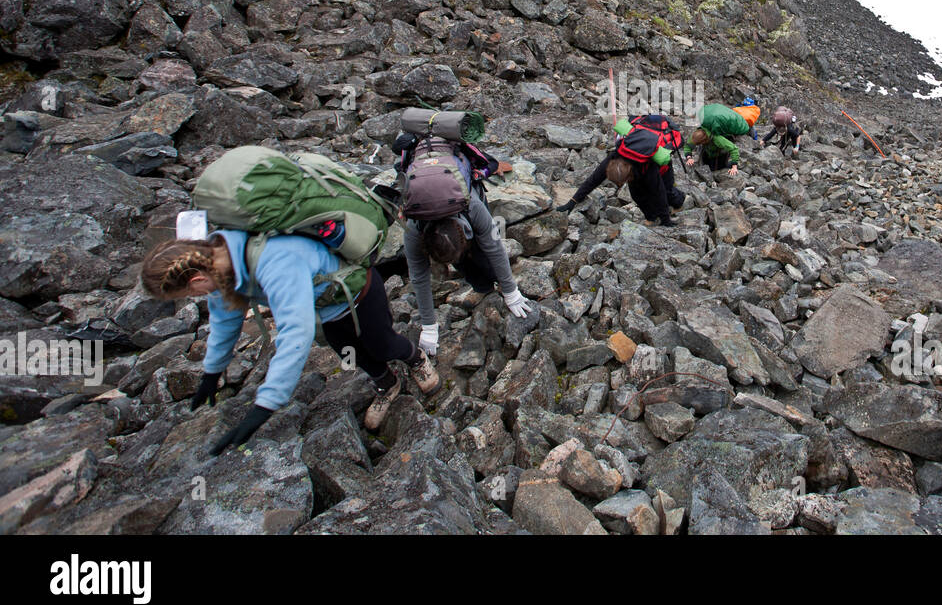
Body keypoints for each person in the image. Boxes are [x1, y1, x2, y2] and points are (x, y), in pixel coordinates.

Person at [140, 231, 439, 449]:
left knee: (382, 344)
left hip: (358, 293)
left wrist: (266, 403)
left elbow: (296, 330)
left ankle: (415, 358)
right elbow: (225, 317)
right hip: (327, 308)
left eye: (191, 295)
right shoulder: (220, 264)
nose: (198, 298)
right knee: (351, 353)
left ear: (194, 281)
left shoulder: (272, 260)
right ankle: (387, 383)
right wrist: (212, 371)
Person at [394, 133, 534, 353]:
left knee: (483, 252)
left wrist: (511, 291)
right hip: (433, 185)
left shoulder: (471, 207)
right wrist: (429, 326)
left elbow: (494, 246)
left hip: (464, 192)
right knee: (464, 261)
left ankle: (490, 282)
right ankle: (482, 286)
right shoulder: (414, 227)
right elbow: (419, 276)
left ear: (464, 235)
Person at [559, 150, 685, 226]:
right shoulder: (612, 160)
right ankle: (652, 217)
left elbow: (659, 191)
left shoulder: (646, 168)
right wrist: (572, 201)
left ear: (628, 175)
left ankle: (680, 200)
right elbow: (592, 181)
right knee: (637, 195)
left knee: (667, 194)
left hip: (661, 167)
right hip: (635, 172)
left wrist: (666, 220)